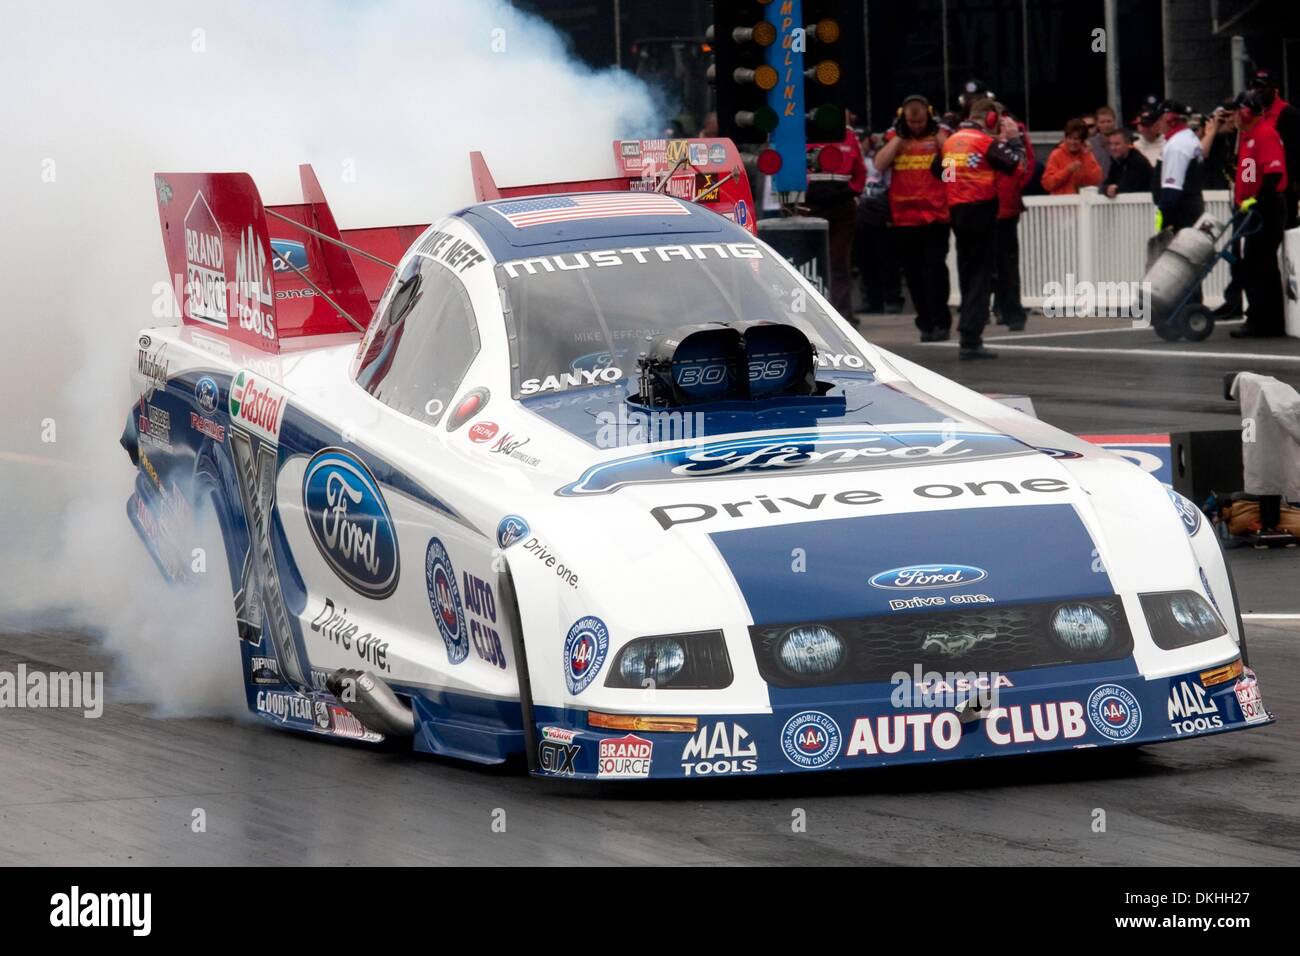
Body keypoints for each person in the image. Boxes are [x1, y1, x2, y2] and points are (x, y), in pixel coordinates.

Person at [931, 97, 1023, 359]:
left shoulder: (951, 141)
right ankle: (971, 338)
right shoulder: (984, 142)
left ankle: (969, 333)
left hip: (958, 211)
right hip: (981, 210)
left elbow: (939, 172)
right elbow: (1014, 164)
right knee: (981, 276)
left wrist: (959, 183)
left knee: (968, 271)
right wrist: (1012, 139)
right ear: (991, 118)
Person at [874, 94, 951, 340]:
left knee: (936, 271)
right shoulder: (894, 137)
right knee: (913, 274)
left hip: (935, 215)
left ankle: (941, 322)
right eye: (911, 122)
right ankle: (925, 323)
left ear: (928, 116)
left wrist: (938, 132)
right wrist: (899, 136)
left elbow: (953, 168)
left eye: (920, 122)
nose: (916, 126)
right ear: (903, 118)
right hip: (904, 217)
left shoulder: (940, 136)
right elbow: (879, 164)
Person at [1230, 89, 1289, 338]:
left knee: (1261, 264)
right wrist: (1243, 197)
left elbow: (1273, 173)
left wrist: (1255, 199)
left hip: (1267, 208)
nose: (1233, 116)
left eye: (1236, 111)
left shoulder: (1265, 134)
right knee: (1252, 263)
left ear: (1245, 112)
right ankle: (1258, 316)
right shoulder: (1248, 136)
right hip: (1253, 208)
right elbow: (1251, 172)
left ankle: (1267, 320)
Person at [805, 120, 868, 319]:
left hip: (842, 204)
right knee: (810, 262)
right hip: (811, 203)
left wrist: (852, 191)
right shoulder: (802, 129)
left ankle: (843, 315)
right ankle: (814, 313)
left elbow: (861, 171)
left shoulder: (848, 134)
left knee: (839, 260)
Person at [855, 132, 905, 316]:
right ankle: (872, 300)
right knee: (865, 261)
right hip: (863, 215)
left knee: (888, 261)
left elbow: (950, 175)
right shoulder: (855, 158)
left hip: (887, 213)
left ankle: (892, 299)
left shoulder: (884, 156)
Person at [993, 107, 1033, 331]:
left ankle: (1009, 311)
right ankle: (992, 312)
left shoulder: (1014, 134)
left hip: (1000, 207)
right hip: (978, 208)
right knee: (984, 267)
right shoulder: (966, 139)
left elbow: (1025, 168)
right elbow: (946, 170)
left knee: (1005, 265)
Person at [1248, 67, 1300, 228]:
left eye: (1263, 87)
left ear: (1274, 88)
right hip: (1256, 189)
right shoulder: (1252, 119)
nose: (1258, 92)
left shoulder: (1288, 113)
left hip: (1280, 189)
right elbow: (1247, 158)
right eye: (1255, 87)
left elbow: (1295, 153)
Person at [1152, 100, 1205, 232]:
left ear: (1171, 120)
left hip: (1180, 215)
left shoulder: (1177, 145)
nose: (1157, 124)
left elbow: (1173, 188)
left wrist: (1164, 219)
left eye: (1159, 119)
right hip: (1191, 208)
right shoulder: (1190, 138)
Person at [1041, 119, 1104, 194]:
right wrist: (1067, 170)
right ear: (1065, 138)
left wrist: (1086, 155)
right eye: (1069, 138)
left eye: (1076, 139)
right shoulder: (1056, 154)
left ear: (1083, 140)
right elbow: (1047, 184)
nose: (1072, 142)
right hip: (1061, 203)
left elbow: (1095, 180)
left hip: (1082, 202)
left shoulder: (1087, 154)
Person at [1102, 129, 1154, 196]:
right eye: (1110, 144)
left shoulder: (1138, 161)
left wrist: (1115, 189)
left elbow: (1128, 187)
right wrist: (1107, 189)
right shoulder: (1116, 162)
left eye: (1117, 144)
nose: (1113, 148)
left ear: (1128, 144)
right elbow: (1105, 185)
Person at [1089, 105, 1118, 178]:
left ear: (1114, 121)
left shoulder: (1122, 142)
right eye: (1102, 122)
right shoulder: (1090, 144)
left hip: (1118, 186)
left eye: (1109, 121)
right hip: (1096, 186)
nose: (1106, 125)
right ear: (1097, 124)